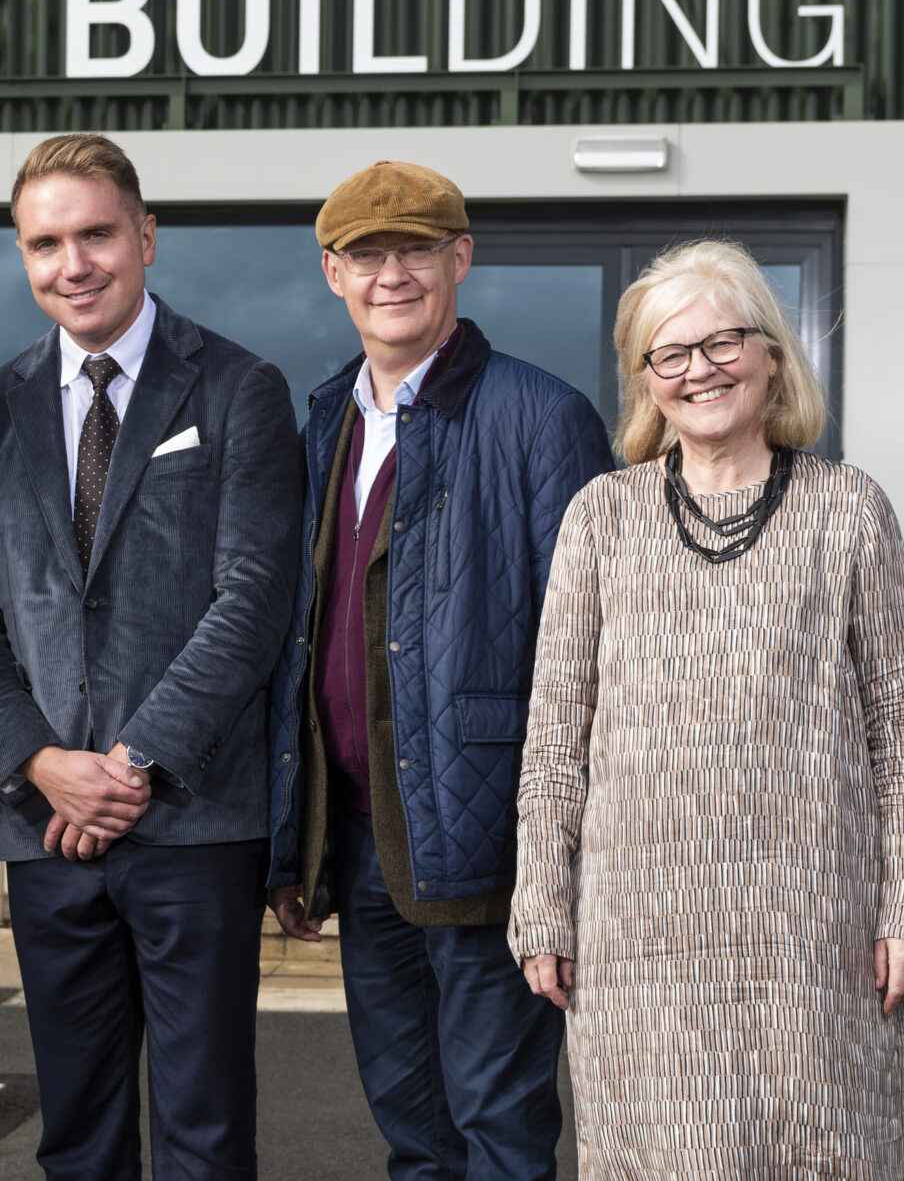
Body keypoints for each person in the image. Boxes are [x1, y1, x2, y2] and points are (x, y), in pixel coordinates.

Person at [508, 239, 904, 1178]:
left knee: (819, 1148)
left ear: (772, 354)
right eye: (671, 352)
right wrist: (541, 899)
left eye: (723, 341)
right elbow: (555, 738)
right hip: (639, 931)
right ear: (645, 379)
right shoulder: (601, 516)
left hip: (815, 924)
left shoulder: (849, 511)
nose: (700, 369)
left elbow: (901, 731)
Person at [0, 133, 302, 1181]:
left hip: (189, 819)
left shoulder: (237, 389)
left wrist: (132, 762)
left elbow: (252, 600)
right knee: (75, 1135)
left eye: (94, 233)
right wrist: (40, 760)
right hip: (44, 825)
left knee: (204, 1127)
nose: (72, 263)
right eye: (44, 242)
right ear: (22, 255)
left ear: (145, 235)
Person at [264, 160, 613, 1180]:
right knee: (409, 1121)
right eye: (365, 255)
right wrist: (298, 840)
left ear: (459, 258)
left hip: (483, 835)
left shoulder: (541, 416)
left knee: (498, 1125)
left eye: (414, 248)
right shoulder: (326, 416)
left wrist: (559, 857)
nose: (390, 274)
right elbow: (303, 628)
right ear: (331, 272)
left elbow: (586, 646)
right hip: (362, 833)